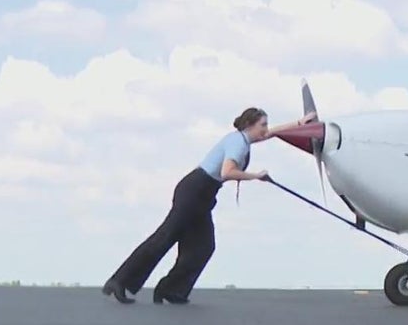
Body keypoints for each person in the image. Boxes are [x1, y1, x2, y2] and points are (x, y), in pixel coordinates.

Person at [101, 107, 316, 305]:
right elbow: (227, 172)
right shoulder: (238, 143)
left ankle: (169, 290)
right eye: (263, 125)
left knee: (204, 247)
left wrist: (300, 123)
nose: (265, 129)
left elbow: (271, 133)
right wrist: (256, 176)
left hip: (203, 194)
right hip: (194, 191)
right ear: (250, 125)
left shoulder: (242, 139)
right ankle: (119, 282)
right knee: (164, 238)